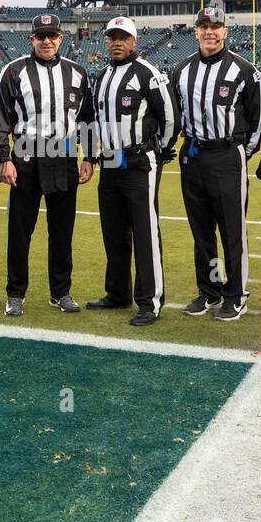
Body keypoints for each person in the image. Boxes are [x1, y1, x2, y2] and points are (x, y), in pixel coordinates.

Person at [0, 14, 94, 317]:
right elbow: (1, 118)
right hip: (26, 154)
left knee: (62, 229)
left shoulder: (77, 73)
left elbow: (87, 119)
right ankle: (15, 293)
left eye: (52, 35)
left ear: (61, 38)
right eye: (41, 36)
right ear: (31, 39)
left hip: (63, 155)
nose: (47, 41)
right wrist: (3, 158)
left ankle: (60, 292)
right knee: (20, 230)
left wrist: (88, 157)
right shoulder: (14, 71)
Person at [171, 0, 261, 322]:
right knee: (201, 231)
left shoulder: (244, 70)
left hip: (227, 155)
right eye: (204, 27)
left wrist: (241, 153)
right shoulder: (182, 70)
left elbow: (258, 119)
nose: (209, 32)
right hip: (194, 155)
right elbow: (175, 113)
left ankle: (236, 293)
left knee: (232, 229)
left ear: (225, 30)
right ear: (196, 31)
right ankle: (209, 291)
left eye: (215, 27)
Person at [87, 16, 176, 326]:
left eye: (123, 37)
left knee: (145, 231)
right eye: (112, 37)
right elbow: (92, 121)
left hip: (139, 161)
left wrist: (156, 151)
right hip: (110, 162)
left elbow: (169, 119)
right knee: (113, 231)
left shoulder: (147, 73)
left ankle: (150, 301)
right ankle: (117, 292)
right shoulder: (100, 76)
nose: (117, 42)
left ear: (134, 41)